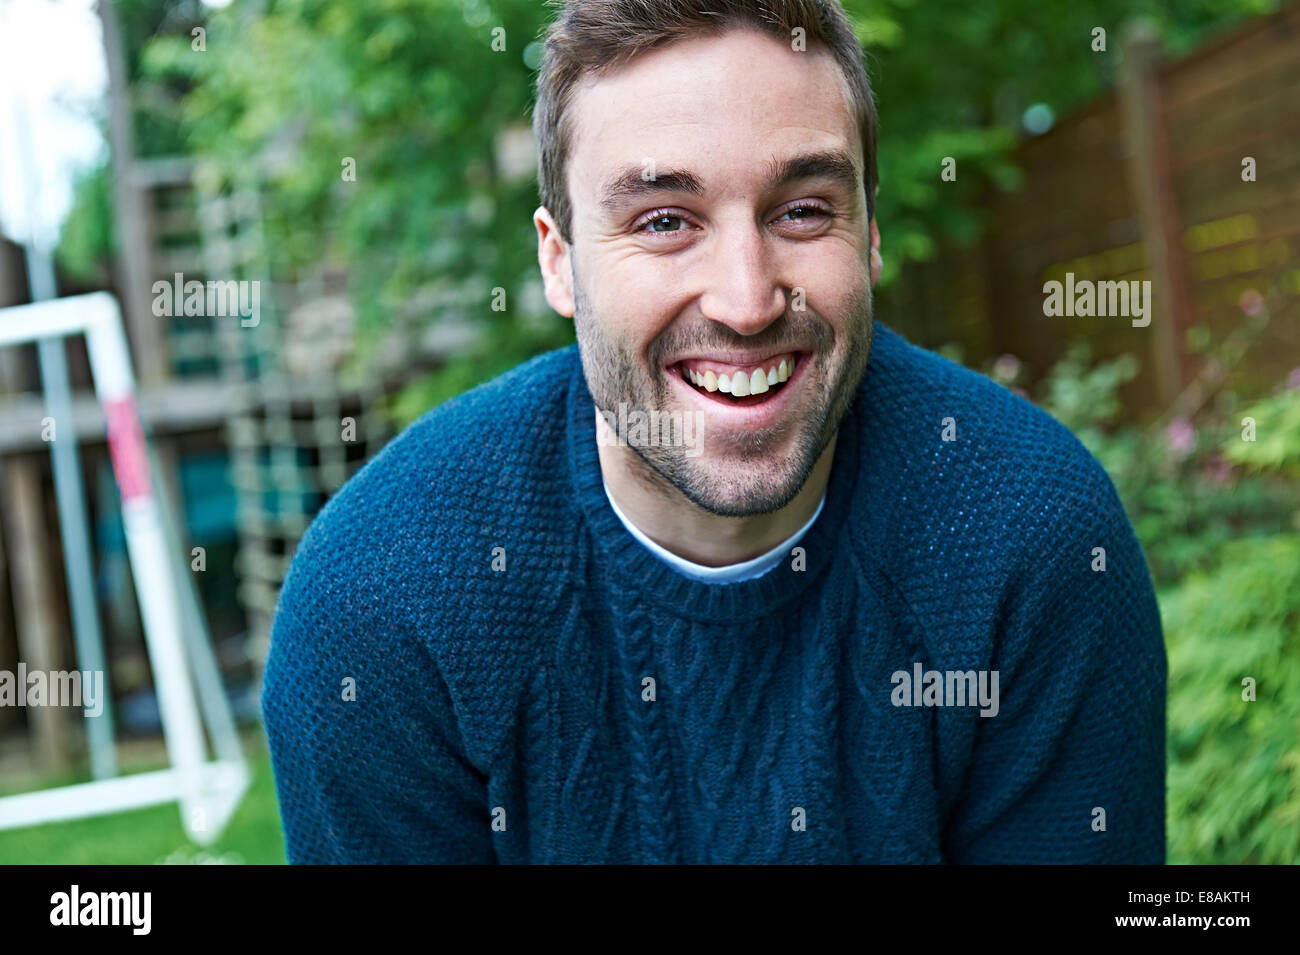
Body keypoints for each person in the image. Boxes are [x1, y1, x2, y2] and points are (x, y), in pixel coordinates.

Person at [263, 0, 1166, 864]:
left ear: (872, 234)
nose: (745, 300)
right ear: (559, 261)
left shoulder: (1032, 536)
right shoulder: (383, 603)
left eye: (803, 209)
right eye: (664, 221)